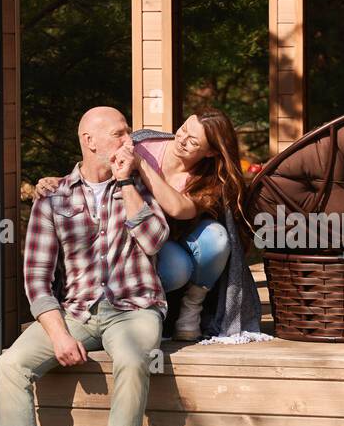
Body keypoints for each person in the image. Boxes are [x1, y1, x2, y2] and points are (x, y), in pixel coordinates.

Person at [0, 106, 168, 426]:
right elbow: (36, 278)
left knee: (132, 360)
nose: (129, 142)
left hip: (134, 307)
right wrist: (58, 334)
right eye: (120, 134)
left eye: (129, 135)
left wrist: (127, 184)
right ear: (90, 141)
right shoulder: (53, 197)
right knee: (10, 365)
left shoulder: (139, 183)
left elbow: (156, 241)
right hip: (77, 311)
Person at [37, 108, 254, 341]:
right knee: (178, 269)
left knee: (218, 238)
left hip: (181, 237)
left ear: (210, 152)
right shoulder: (145, 145)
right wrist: (60, 182)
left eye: (193, 141)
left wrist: (141, 164)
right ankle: (148, 309)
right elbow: (97, 173)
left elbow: (179, 209)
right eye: (182, 130)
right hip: (143, 239)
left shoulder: (211, 178)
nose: (181, 140)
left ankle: (192, 307)